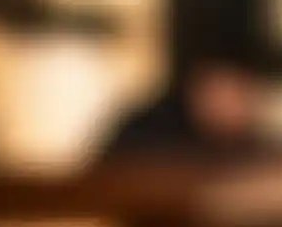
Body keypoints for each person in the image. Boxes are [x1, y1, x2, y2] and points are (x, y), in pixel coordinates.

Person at [103, 56, 266, 160]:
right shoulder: (153, 138)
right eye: (233, 94)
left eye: (246, 96)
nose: (244, 108)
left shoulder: (250, 148)